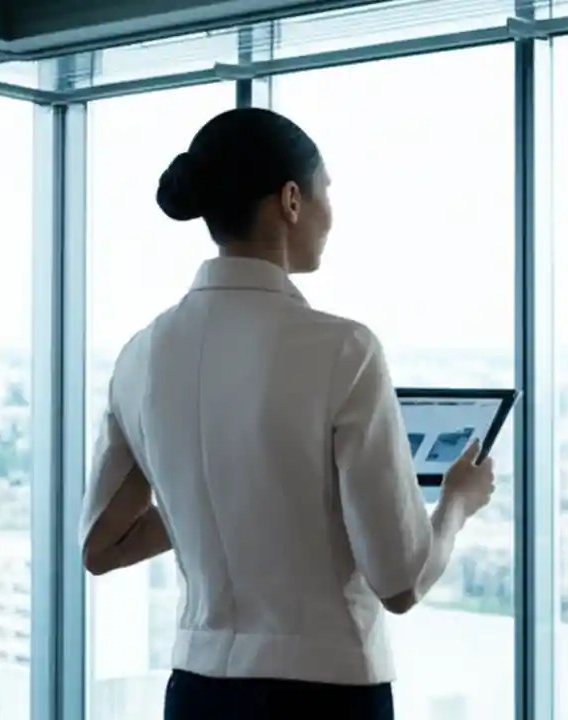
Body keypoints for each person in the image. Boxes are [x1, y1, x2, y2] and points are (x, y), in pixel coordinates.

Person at [78, 107, 496, 720]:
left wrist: (221, 489)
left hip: (196, 694)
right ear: (292, 200)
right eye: (327, 192)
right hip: (324, 697)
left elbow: (103, 547)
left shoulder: (141, 354)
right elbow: (401, 581)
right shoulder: (343, 349)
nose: (331, 212)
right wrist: (458, 502)